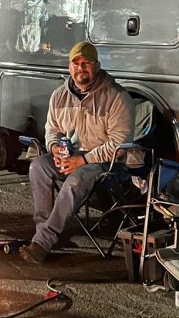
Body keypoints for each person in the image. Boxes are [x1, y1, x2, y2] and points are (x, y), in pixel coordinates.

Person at [20, 41, 132, 264]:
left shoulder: (117, 97)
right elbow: (52, 130)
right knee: (38, 166)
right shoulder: (59, 95)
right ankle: (45, 233)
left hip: (104, 163)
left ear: (97, 66)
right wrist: (55, 149)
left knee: (74, 181)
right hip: (71, 156)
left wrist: (82, 160)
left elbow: (120, 145)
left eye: (87, 63)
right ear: (69, 68)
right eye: (76, 63)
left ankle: (43, 242)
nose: (81, 68)